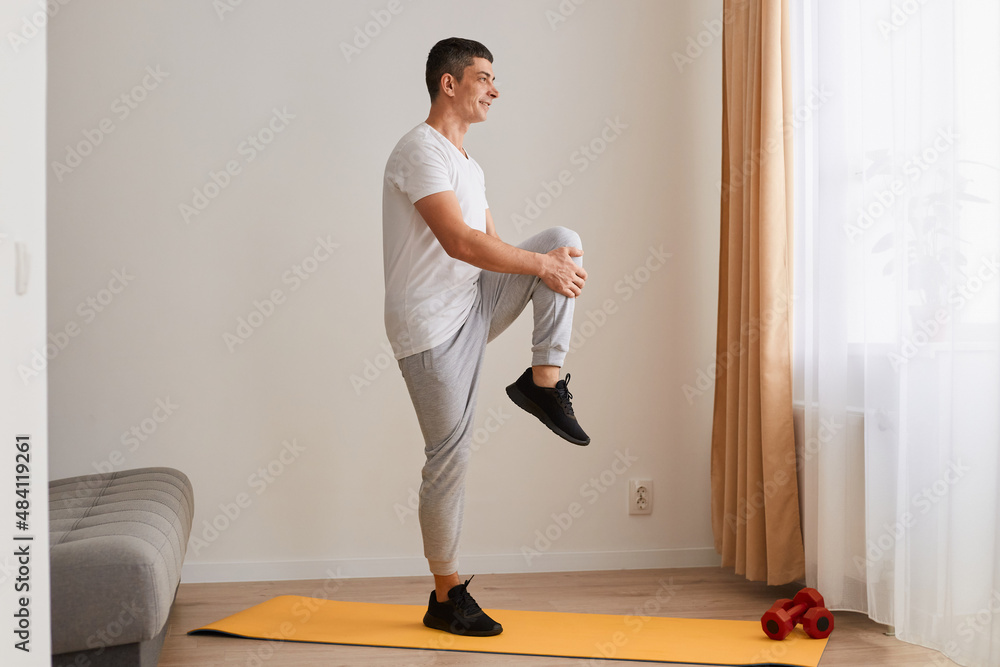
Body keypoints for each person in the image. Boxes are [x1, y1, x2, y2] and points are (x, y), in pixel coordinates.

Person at [382, 37, 590, 637]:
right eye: (484, 78)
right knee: (448, 457)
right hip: (429, 325)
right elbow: (460, 242)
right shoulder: (419, 151)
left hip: (473, 303)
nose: (495, 90)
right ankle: (445, 597)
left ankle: (542, 381)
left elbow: (495, 252)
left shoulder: (470, 165)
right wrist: (543, 270)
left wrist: (550, 266)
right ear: (450, 83)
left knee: (562, 239)